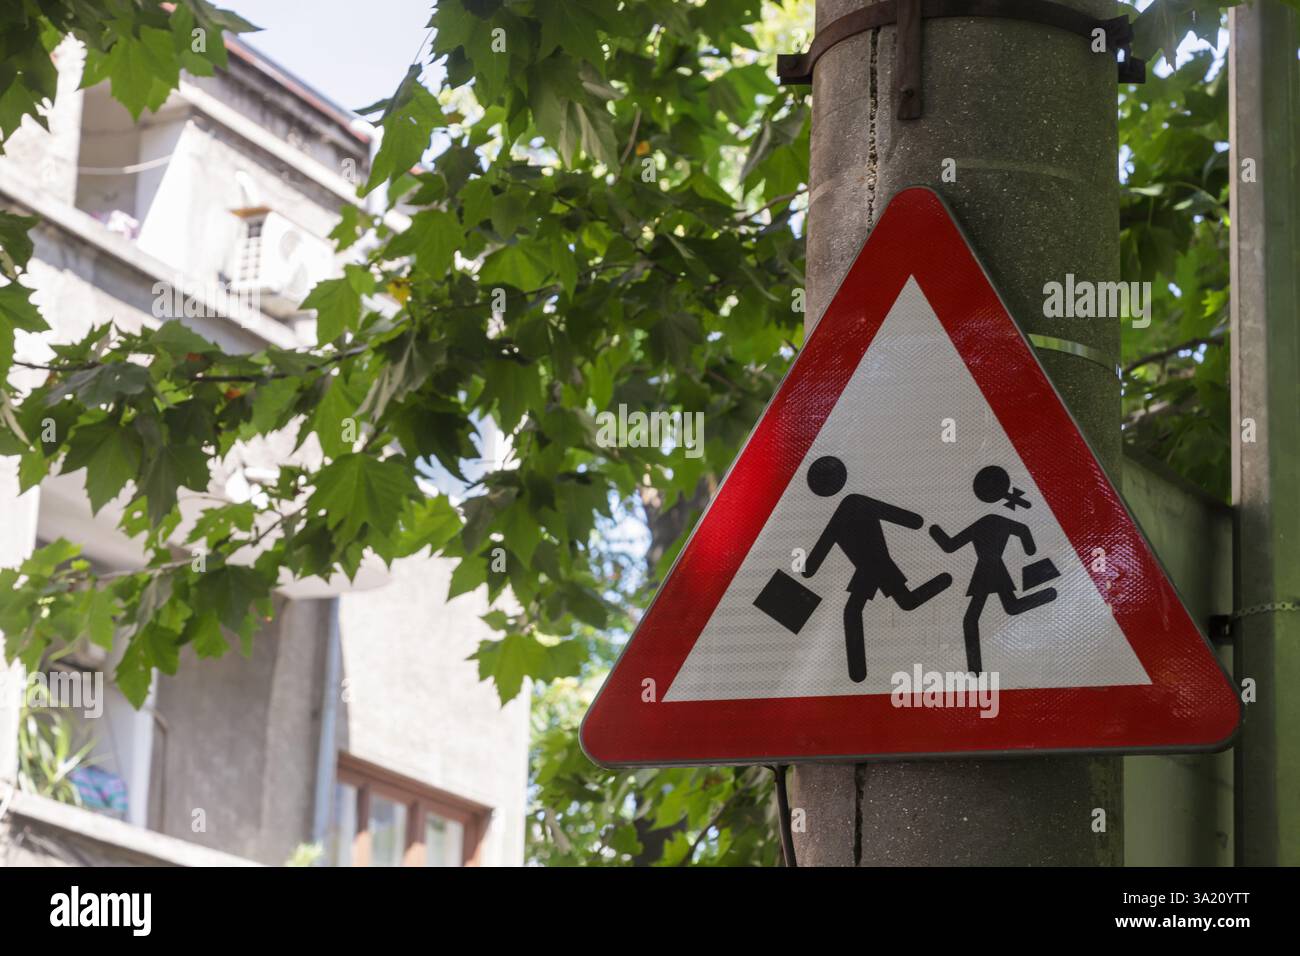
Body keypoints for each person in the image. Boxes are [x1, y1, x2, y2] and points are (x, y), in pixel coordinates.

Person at [802, 456, 952, 682]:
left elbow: (894, 514)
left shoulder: (851, 504)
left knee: (871, 608)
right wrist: (809, 568)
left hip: (877, 564)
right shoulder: (847, 507)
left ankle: (945, 580)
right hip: (869, 568)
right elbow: (824, 544)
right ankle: (857, 676)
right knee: (895, 604)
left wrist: (809, 568)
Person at [929, 465, 1057, 674]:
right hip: (993, 570)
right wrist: (1030, 549)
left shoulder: (985, 522)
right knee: (1009, 607)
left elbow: (950, 545)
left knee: (972, 618)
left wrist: (935, 531)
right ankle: (1048, 594)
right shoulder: (996, 520)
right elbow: (1023, 530)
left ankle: (974, 670)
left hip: (987, 571)